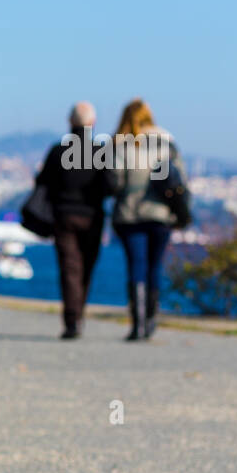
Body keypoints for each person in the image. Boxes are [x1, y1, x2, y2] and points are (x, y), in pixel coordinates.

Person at [105, 98, 181, 340]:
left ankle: (137, 323)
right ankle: (151, 320)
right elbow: (180, 178)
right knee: (154, 266)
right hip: (160, 214)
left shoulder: (122, 145)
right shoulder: (166, 143)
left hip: (130, 214)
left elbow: (114, 182)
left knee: (136, 266)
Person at [35, 101, 107, 338]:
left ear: (70, 122)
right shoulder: (101, 153)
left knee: (70, 268)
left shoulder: (58, 151)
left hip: (63, 216)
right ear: (93, 123)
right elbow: (109, 186)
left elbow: (42, 182)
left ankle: (72, 319)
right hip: (92, 217)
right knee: (85, 267)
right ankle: (77, 315)